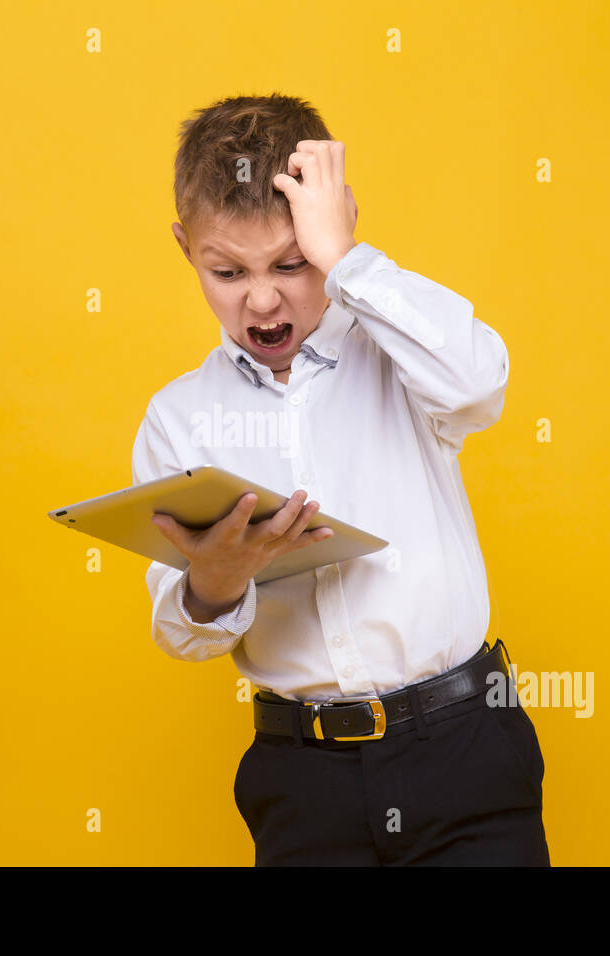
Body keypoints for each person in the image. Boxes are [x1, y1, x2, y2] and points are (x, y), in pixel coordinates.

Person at [131, 93, 549, 866]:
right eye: (228, 271)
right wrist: (215, 581)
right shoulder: (179, 419)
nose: (262, 299)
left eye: (292, 264)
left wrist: (348, 261)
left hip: (464, 751)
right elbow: (180, 634)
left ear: (330, 233)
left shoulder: (398, 352)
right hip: (303, 779)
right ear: (185, 248)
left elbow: (479, 384)